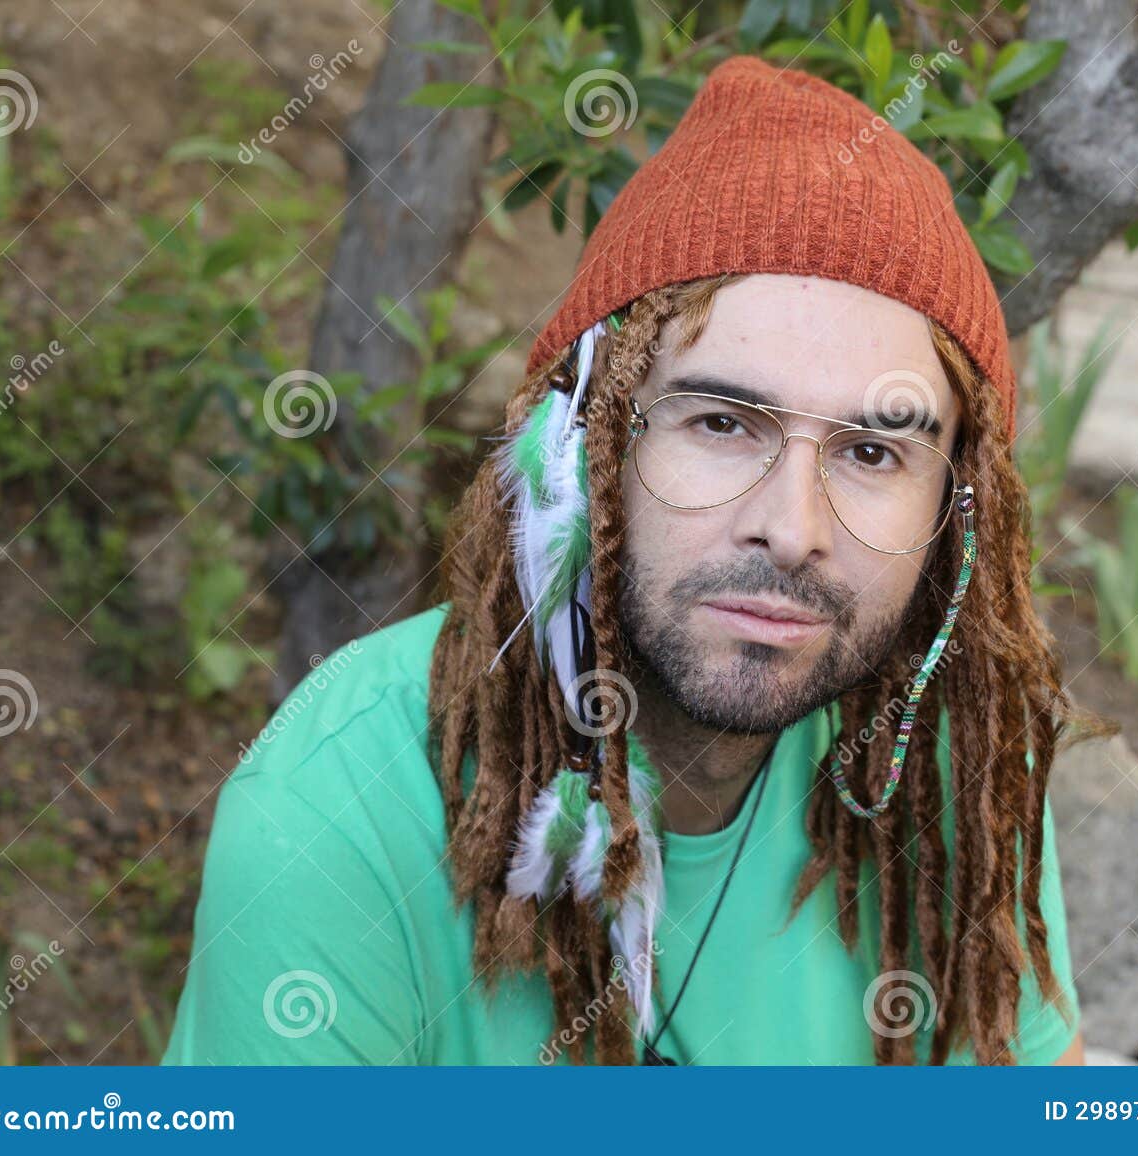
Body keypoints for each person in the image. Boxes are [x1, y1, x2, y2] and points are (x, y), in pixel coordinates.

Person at [164, 54, 1087, 1066]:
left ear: (957, 508)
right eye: (724, 423)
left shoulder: (954, 763)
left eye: (872, 452)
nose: (792, 528)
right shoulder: (336, 809)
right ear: (587, 447)